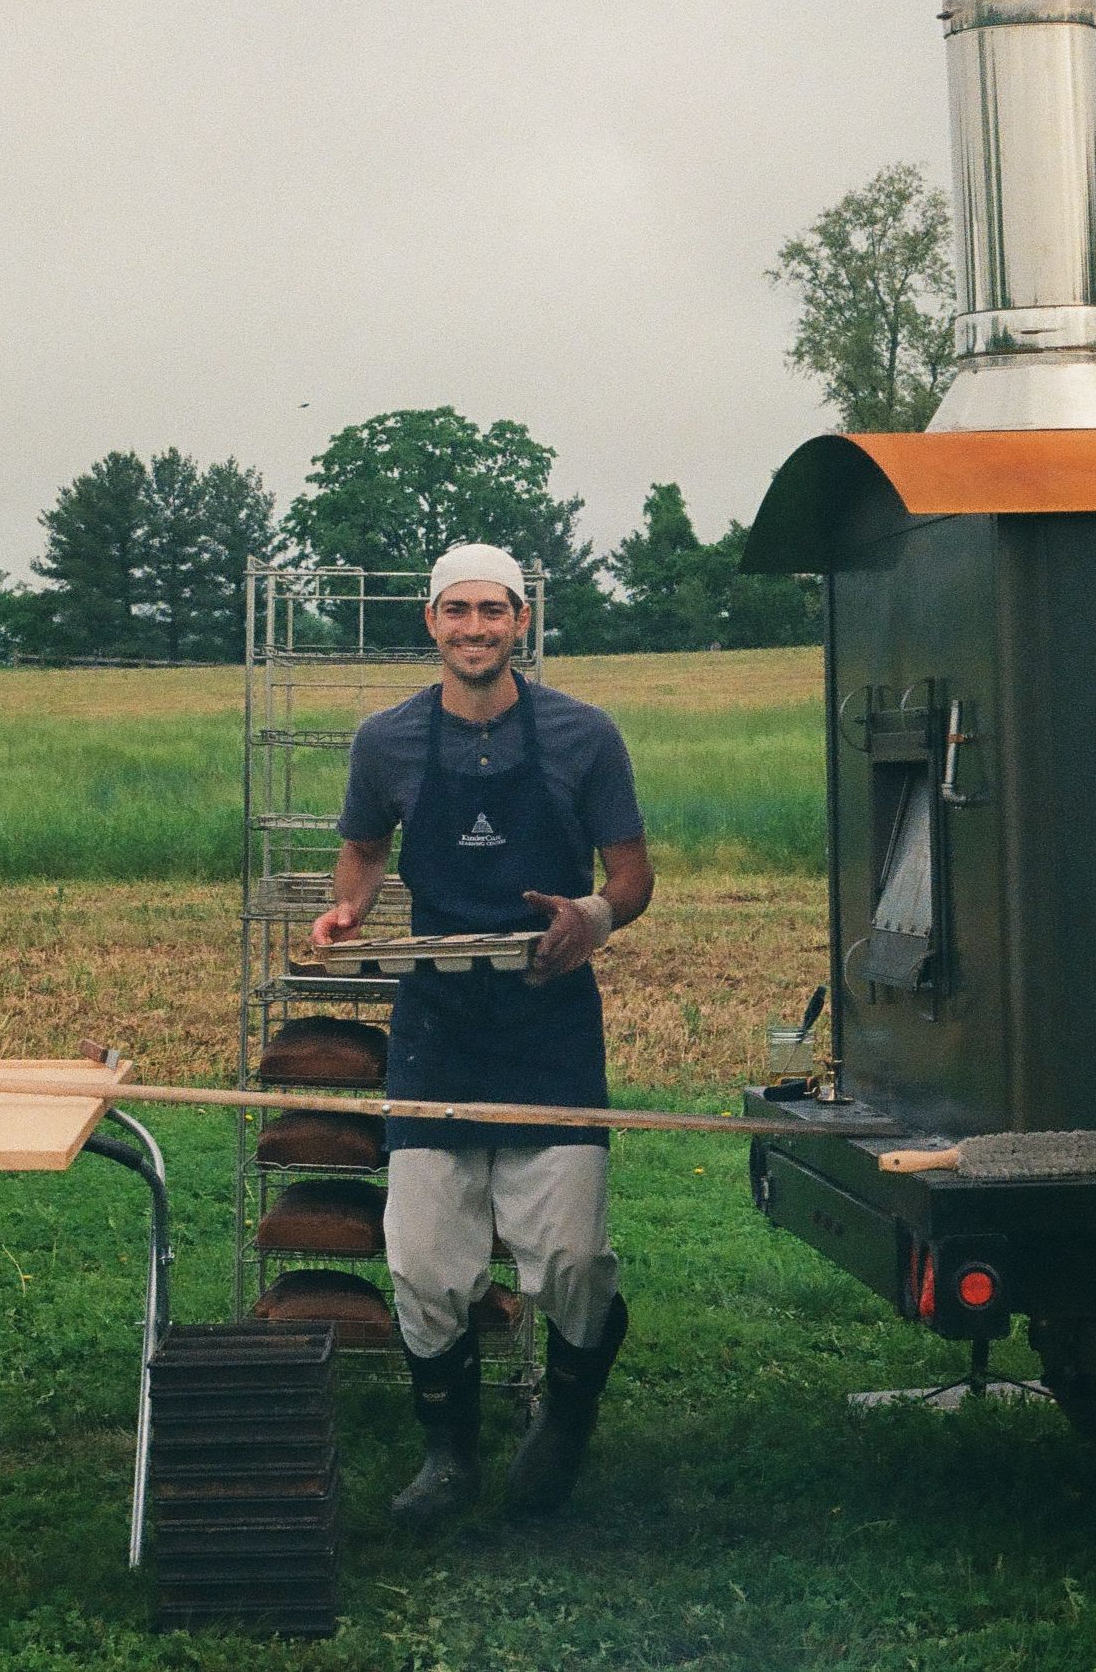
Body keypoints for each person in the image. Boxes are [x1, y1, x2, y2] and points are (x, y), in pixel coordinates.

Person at [310, 543, 656, 1524]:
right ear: (431, 621)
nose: (475, 627)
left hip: (550, 1027)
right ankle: (448, 1453)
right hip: (439, 1028)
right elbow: (363, 848)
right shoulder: (385, 740)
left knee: (572, 1260)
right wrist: (348, 908)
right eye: (456, 609)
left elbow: (632, 875)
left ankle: (568, 1415)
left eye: (493, 609)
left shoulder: (585, 735)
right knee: (424, 1261)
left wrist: (593, 917)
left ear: (521, 620)